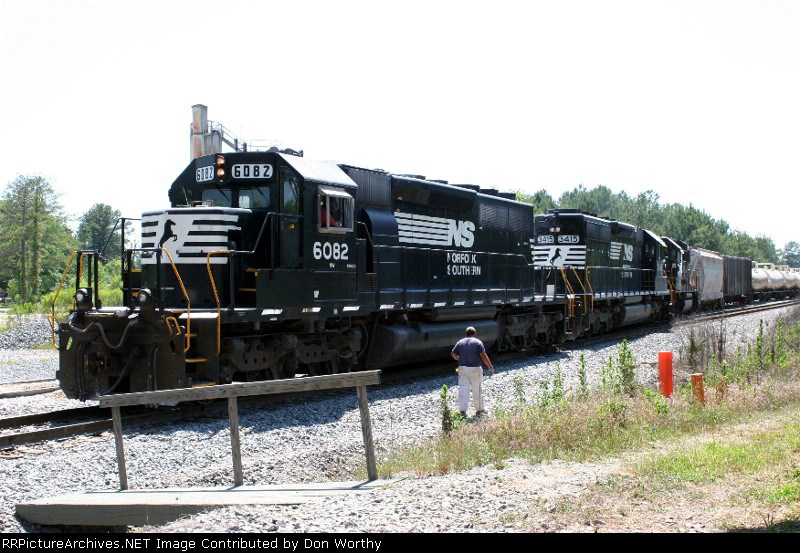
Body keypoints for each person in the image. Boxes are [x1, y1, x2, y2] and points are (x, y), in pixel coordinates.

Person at [451, 326, 494, 418]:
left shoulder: (460, 342)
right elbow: (483, 355)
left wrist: (458, 358)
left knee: (463, 388)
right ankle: (479, 410)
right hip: (475, 369)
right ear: (474, 333)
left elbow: (453, 353)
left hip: (462, 368)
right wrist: (489, 366)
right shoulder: (477, 342)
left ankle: (462, 411)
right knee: (477, 389)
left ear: (466, 333)